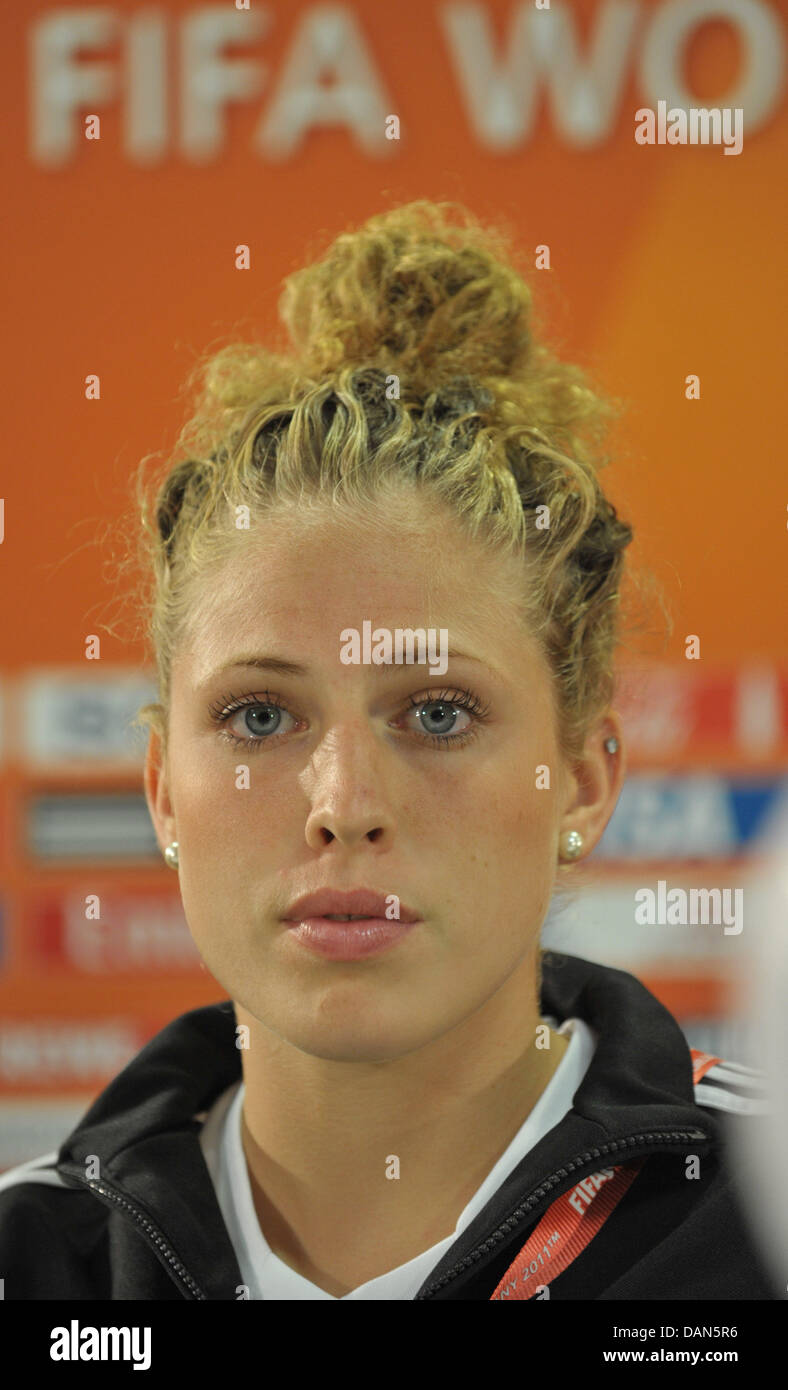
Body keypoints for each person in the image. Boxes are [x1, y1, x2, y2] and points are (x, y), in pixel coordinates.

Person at [0, 200, 778, 1300]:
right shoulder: (31, 1263)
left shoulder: (762, 1218)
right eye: (260, 718)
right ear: (162, 793)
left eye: (438, 712)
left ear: (586, 777)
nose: (343, 802)